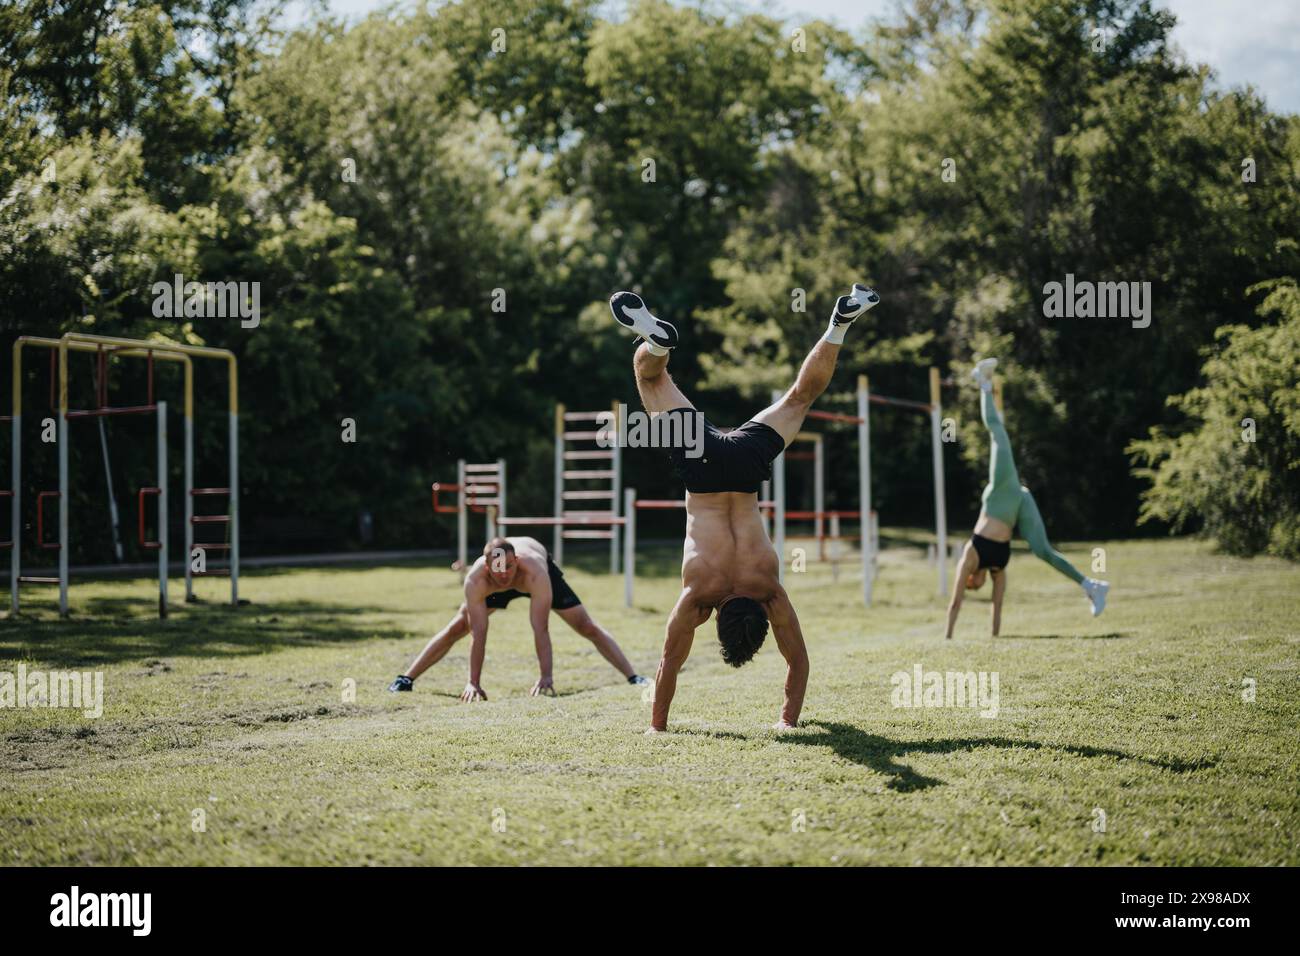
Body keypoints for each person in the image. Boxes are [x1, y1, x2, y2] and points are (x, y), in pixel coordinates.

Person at [609, 283, 880, 732]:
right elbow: (668, 664)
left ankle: (839, 324)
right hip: (701, 469)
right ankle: (655, 342)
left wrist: (788, 722)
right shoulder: (700, 597)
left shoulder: (769, 589)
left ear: (761, 618)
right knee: (649, 379)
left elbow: (799, 664)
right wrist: (657, 726)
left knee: (799, 397)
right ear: (717, 621)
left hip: (747, 464)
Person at [945, 358, 1110, 639]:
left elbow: (955, 600)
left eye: (973, 585)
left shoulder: (970, 558)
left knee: (998, 433)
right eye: (975, 587)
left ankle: (984, 383)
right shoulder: (997, 568)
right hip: (1017, 502)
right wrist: (994, 638)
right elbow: (996, 606)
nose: (976, 585)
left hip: (1002, 492)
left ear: (971, 577)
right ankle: (1092, 586)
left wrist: (947, 637)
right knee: (1043, 551)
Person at [388, 536, 648, 699]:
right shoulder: (477, 581)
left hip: (536, 578)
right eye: (497, 570)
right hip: (491, 588)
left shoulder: (535, 571)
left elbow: (541, 629)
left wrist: (546, 676)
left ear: (518, 560)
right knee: (458, 626)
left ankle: (632, 676)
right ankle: (406, 679)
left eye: (509, 567)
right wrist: (473, 683)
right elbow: (478, 633)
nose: (504, 576)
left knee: (585, 625)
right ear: (486, 565)